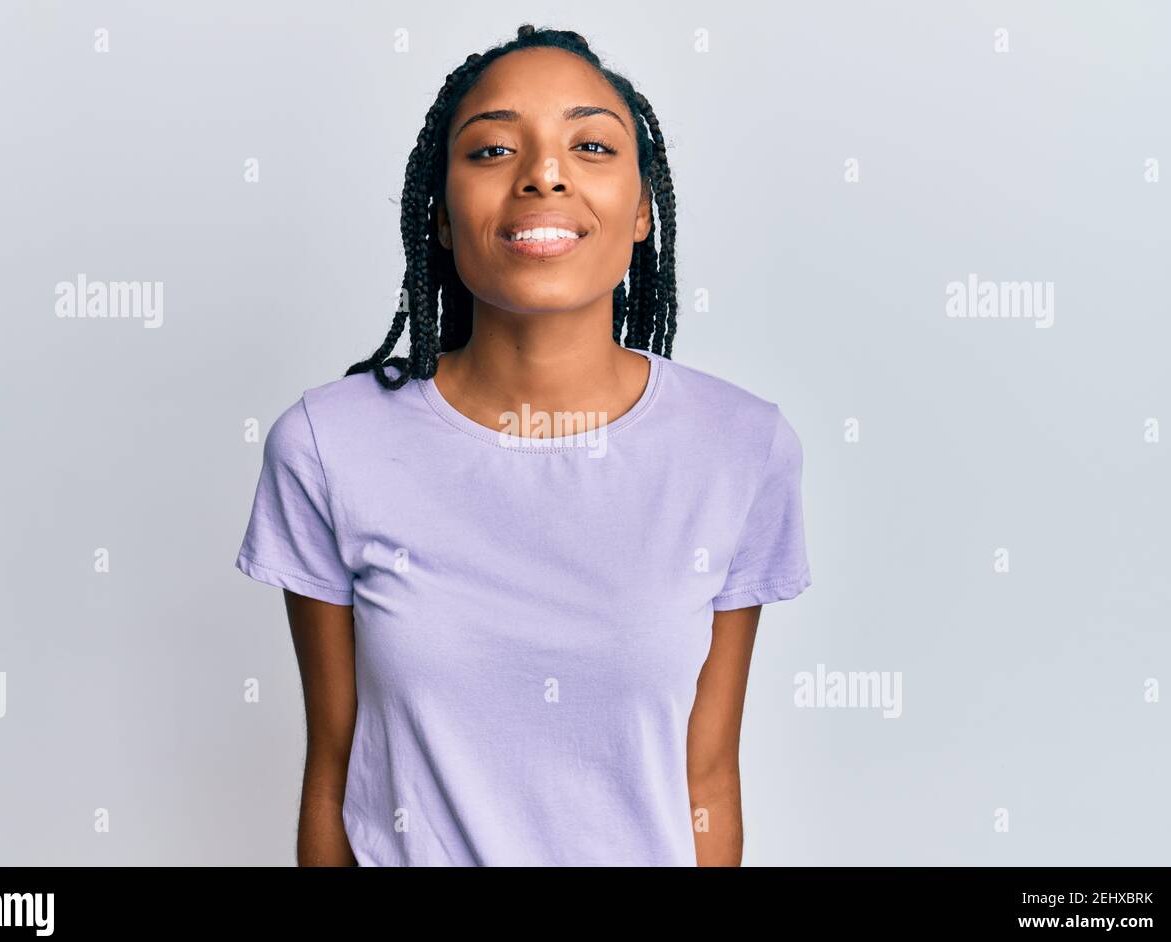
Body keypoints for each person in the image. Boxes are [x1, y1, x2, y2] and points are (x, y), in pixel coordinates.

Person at [234, 24, 811, 866]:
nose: (544, 173)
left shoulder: (741, 448)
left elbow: (709, 778)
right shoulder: (327, 447)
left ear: (644, 208)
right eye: (494, 149)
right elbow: (335, 772)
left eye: (590, 144)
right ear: (436, 215)